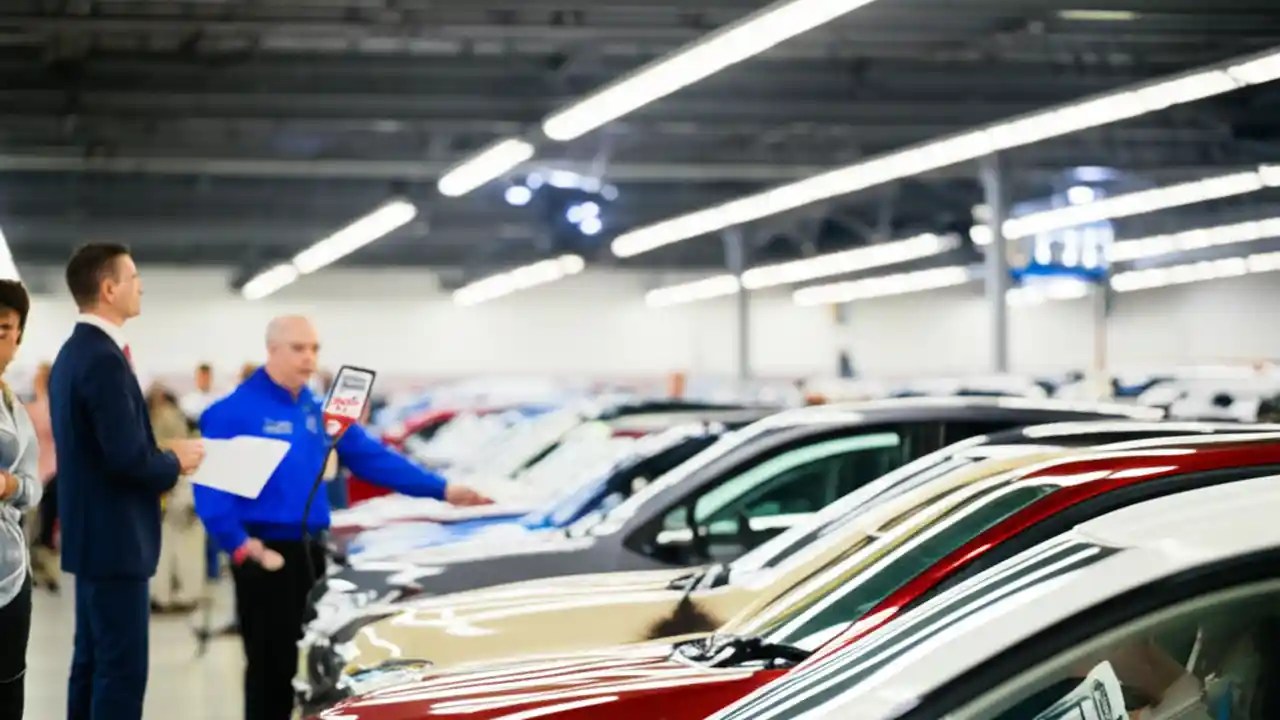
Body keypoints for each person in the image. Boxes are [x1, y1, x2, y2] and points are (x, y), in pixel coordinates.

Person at [194, 315, 491, 720]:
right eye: (299, 348)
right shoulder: (232, 413)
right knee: (270, 669)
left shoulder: (319, 411)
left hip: (311, 553)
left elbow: (373, 458)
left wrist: (444, 489)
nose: (309, 358)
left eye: (315, 348)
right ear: (273, 350)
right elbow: (212, 489)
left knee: (313, 666)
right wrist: (241, 545)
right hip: (266, 554)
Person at [49, 243, 206, 720]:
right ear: (108, 288)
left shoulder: (74, 353)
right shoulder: (102, 360)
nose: (140, 286)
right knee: (120, 672)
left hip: (91, 537)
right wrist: (174, 460)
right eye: (133, 277)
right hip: (116, 540)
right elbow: (126, 460)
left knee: (92, 663)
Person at [0, 280, 43, 720]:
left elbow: (33, 485)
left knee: (9, 693)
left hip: (9, 579)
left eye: (3, 330)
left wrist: (10, 487)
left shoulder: (14, 407)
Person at [147, 384, 204, 613]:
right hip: (184, 486)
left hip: (172, 487)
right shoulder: (178, 417)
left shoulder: (160, 419)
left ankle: (163, 595)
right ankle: (185, 593)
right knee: (184, 546)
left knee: (167, 545)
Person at [25, 361, 58, 592]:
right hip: (50, 473)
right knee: (44, 528)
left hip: (45, 474)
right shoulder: (59, 407)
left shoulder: (38, 409)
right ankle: (42, 568)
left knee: (38, 527)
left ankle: (38, 569)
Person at [179, 363, 218, 429]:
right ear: (196, 378)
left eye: (206, 377)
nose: (204, 380)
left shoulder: (218, 400)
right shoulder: (186, 401)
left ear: (211, 378)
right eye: (201, 377)